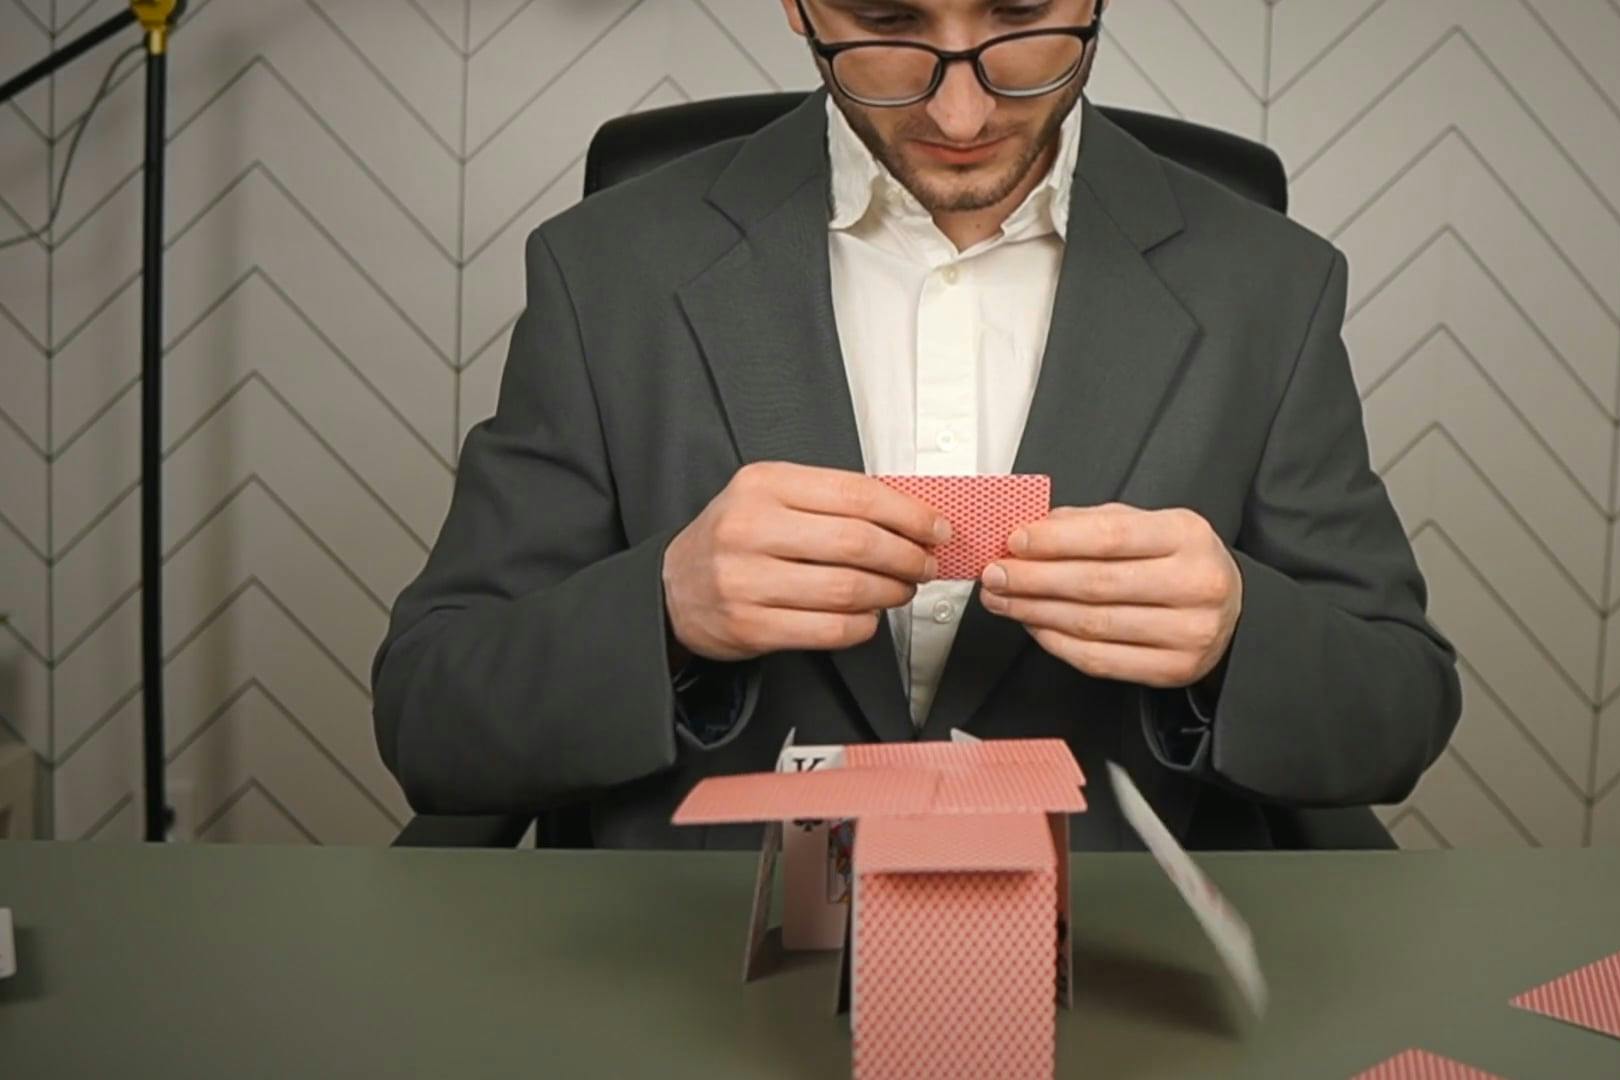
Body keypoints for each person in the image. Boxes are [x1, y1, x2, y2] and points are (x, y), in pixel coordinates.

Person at [371, 0, 1461, 851]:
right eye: (890, 27)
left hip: (1121, 969)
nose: (961, 114)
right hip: (693, 952)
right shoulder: (605, 270)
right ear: (801, 7)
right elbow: (431, 716)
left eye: (1022, 20)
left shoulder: (1271, 285)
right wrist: (662, 609)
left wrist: (1236, 638)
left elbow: (1400, 708)